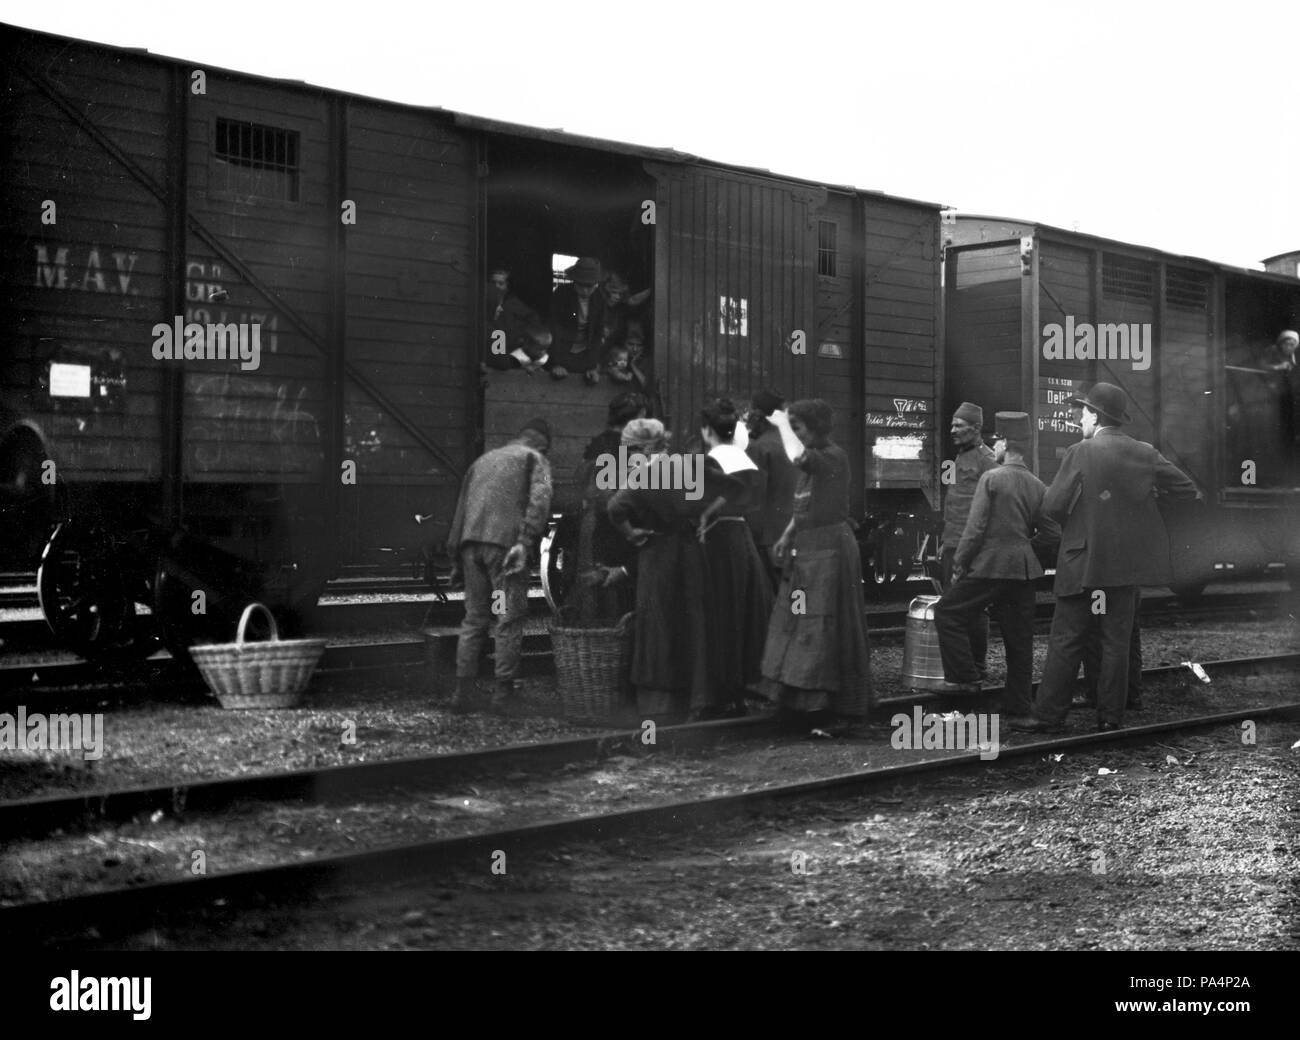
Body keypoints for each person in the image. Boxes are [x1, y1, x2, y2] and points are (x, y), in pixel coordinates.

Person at [1013, 383, 1200, 733]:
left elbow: (1052, 506)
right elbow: (1186, 489)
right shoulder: (1145, 452)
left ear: (1095, 415)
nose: (1078, 418)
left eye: (1082, 412)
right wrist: (1143, 508)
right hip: (1124, 566)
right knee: (1116, 640)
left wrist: (1082, 518)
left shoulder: (1081, 451)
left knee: (1067, 637)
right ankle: (1110, 717)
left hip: (1082, 562)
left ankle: (1049, 715)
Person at [760, 399, 873, 732]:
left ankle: (835, 710)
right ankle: (798, 702)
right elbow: (803, 508)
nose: (795, 433)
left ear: (816, 427)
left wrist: (781, 424)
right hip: (807, 550)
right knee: (798, 625)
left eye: (799, 427)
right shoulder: (814, 465)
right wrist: (786, 537)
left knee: (825, 627)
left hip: (831, 552)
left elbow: (799, 457)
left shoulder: (832, 457)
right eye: (792, 427)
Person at [934, 412, 1056, 715]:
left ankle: (966, 683)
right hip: (1023, 570)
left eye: (997, 441)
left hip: (989, 566)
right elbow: (1053, 533)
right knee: (1019, 643)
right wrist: (1026, 550)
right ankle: (1019, 711)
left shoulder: (992, 478)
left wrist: (960, 564)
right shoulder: (1037, 484)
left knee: (947, 613)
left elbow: (974, 530)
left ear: (1003, 443)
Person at [607, 419, 718, 720]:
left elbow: (615, 509)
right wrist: (704, 519)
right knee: (692, 622)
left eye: (630, 449)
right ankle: (696, 699)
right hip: (692, 553)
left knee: (657, 624)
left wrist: (632, 534)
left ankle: (659, 706)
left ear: (643, 447)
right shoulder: (688, 465)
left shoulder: (643, 474)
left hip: (658, 555)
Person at [445, 418, 553, 713]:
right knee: (506, 617)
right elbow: (540, 502)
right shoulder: (535, 459)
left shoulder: (482, 462)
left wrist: (455, 558)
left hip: (470, 547)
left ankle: (461, 694)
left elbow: (460, 510)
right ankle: (503, 695)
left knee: (475, 618)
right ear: (543, 443)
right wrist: (526, 540)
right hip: (504, 550)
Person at [698, 398, 774, 717]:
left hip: (717, 539)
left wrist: (703, 518)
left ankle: (722, 692)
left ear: (706, 431)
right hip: (742, 538)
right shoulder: (745, 459)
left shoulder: (710, 461)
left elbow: (705, 503)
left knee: (719, 616)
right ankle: (740, 688)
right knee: (743, 614)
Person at [573, 392, 648, 621]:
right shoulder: (632, 449)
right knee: (628, 598)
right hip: (625, 528)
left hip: (601, 528)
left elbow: (585, 485)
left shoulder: (597, 444)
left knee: (604, 597)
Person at [940, 402, 999, 679]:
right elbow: (952, 503)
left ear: (976, 429)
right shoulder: (955, 460)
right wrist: (945, 541)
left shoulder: (988, 460)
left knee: (973, 610)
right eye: (952, 425)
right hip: (952, 543)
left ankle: (976, 667)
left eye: (959, 426)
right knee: (954, 605)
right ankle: (962, 665)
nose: (953, 430)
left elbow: (988, 510)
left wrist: (972, 549)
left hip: (971, 548)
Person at [745, 388, 799, 592]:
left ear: (758, 416)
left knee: (773, 599)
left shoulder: (760, 447)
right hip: (797, 534)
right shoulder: (796, 444)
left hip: (771, 538)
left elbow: (753, 499)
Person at [550, 257, 607, 383]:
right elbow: (555, 328)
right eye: (581, 286)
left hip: (585, 352)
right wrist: (557, 363)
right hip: (562, 351)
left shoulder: (600, 299)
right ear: (574, 281)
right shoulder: (562, 294)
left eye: (590, 286)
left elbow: (597, 334)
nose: (585, 291)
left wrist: (592, 366)